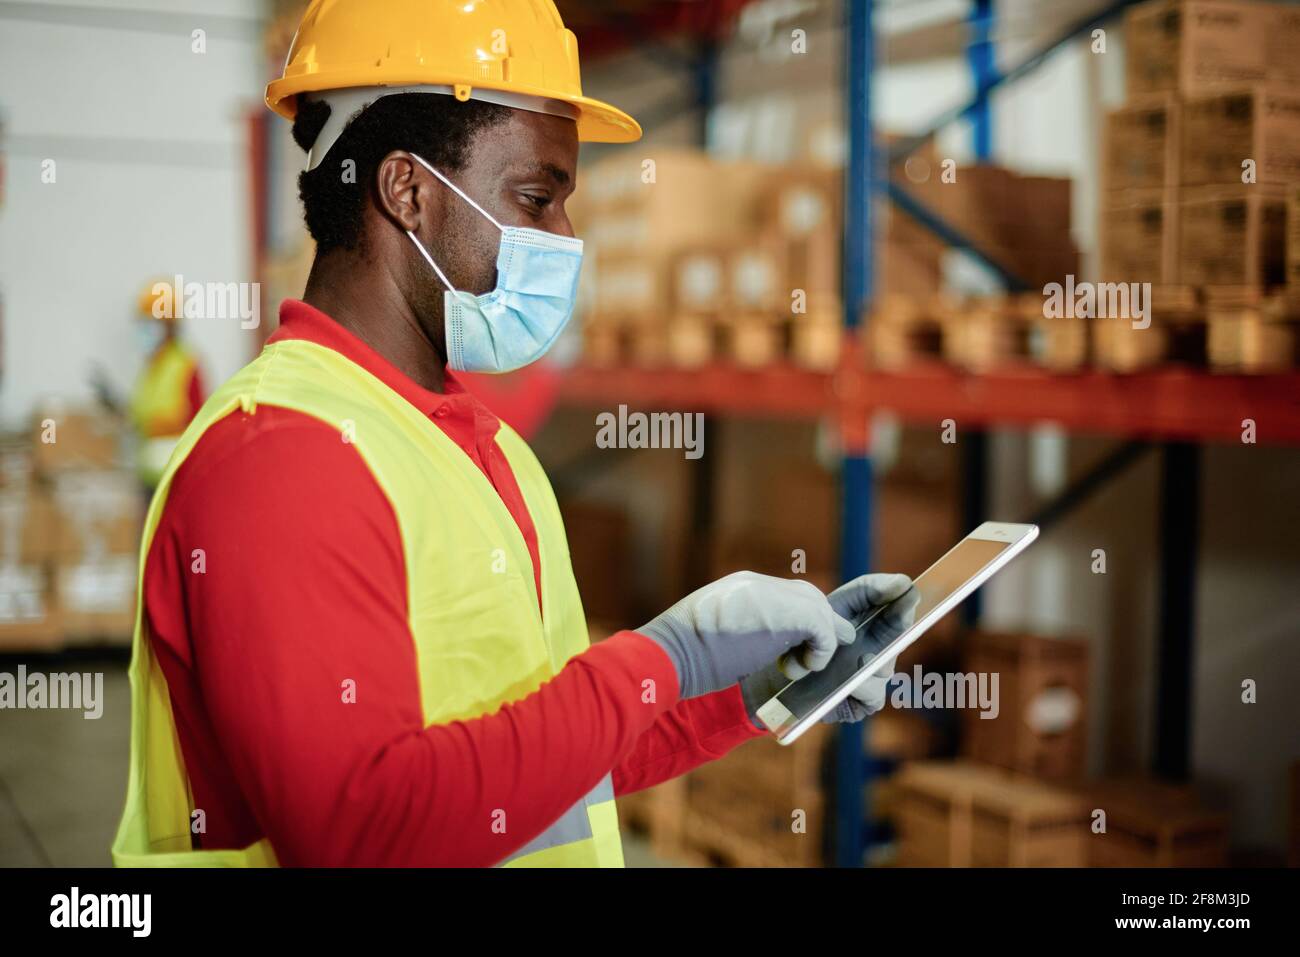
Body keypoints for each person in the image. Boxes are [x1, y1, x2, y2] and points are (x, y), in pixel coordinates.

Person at [112, 0, 913, 867]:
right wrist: (664, 656)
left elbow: (541, 753)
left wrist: (751, 684)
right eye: (538, 198)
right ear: (407, 191)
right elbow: (355, 829)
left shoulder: (483, 450)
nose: (566, 239)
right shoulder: (281, 460)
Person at [129, 280, 204, 490]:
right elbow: (140, 416)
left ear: (168, 325)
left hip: (175, 480)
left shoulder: (186, 363)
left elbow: (197, 421)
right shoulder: (151, 367)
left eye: (150, 322)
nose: (143, 329)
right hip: (149, 478)